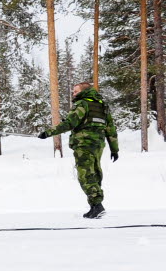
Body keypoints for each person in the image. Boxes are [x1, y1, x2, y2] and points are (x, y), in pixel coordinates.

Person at [39, 81, 120, 219]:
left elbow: (70, 123)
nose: (73, 93)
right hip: (98, 145)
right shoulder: (102, 106)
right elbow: (110, 129)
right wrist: (114, 149)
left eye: (76, 91)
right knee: (94, 173)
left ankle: (98, 206)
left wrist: (48, 133)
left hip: (84, 144)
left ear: (84, 91)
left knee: (85, 175)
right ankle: (94, 207)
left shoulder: (82, 104)